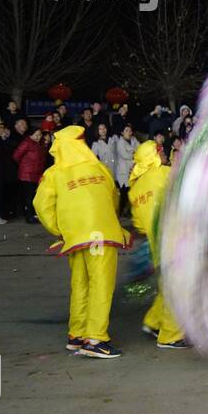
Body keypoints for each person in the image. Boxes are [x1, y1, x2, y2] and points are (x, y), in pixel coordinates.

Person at [34, 126, 132, 358]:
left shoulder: (54, 174)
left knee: (80, 284)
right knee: (100, 284)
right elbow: (113, 197)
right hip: (101, 234)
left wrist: (60, 230)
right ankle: (96, 339)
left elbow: (41, 206)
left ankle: (77, 335)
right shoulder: (98, 168)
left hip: (75, 238)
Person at [127, 141, 188, 349]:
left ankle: (153, 322)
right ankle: (170, 335)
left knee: (167, 284)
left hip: (156, 244)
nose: (164, 154)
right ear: (153, 155)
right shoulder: (165, 173)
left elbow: (139, 225)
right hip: (176, 239)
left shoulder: (134, 190)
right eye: (160, 151)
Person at [12, 126, 47, 223]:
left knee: (35, 196)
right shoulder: (26, 143)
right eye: (36, 135)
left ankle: (35, 215)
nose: (38, 137)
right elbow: (16, 156)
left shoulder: (40, 144)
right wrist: (25, 166)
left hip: (37, 174)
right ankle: (29, 216)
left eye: (40, 135)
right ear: (30, 135)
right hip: (27, 175)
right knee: (29, 197)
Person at [112, 123, 139, 215]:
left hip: (133, 169)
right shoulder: (120, 143)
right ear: (122, 133)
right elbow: (125, 155)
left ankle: (129, 211)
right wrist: (135, 153)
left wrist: (134, 153)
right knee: (124, 192)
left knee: (131, 191)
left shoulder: (134, 140)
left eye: (130, 131)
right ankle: (120, 211)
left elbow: (140, 150)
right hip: (123, 171)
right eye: (126, 131)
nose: (129, 132)